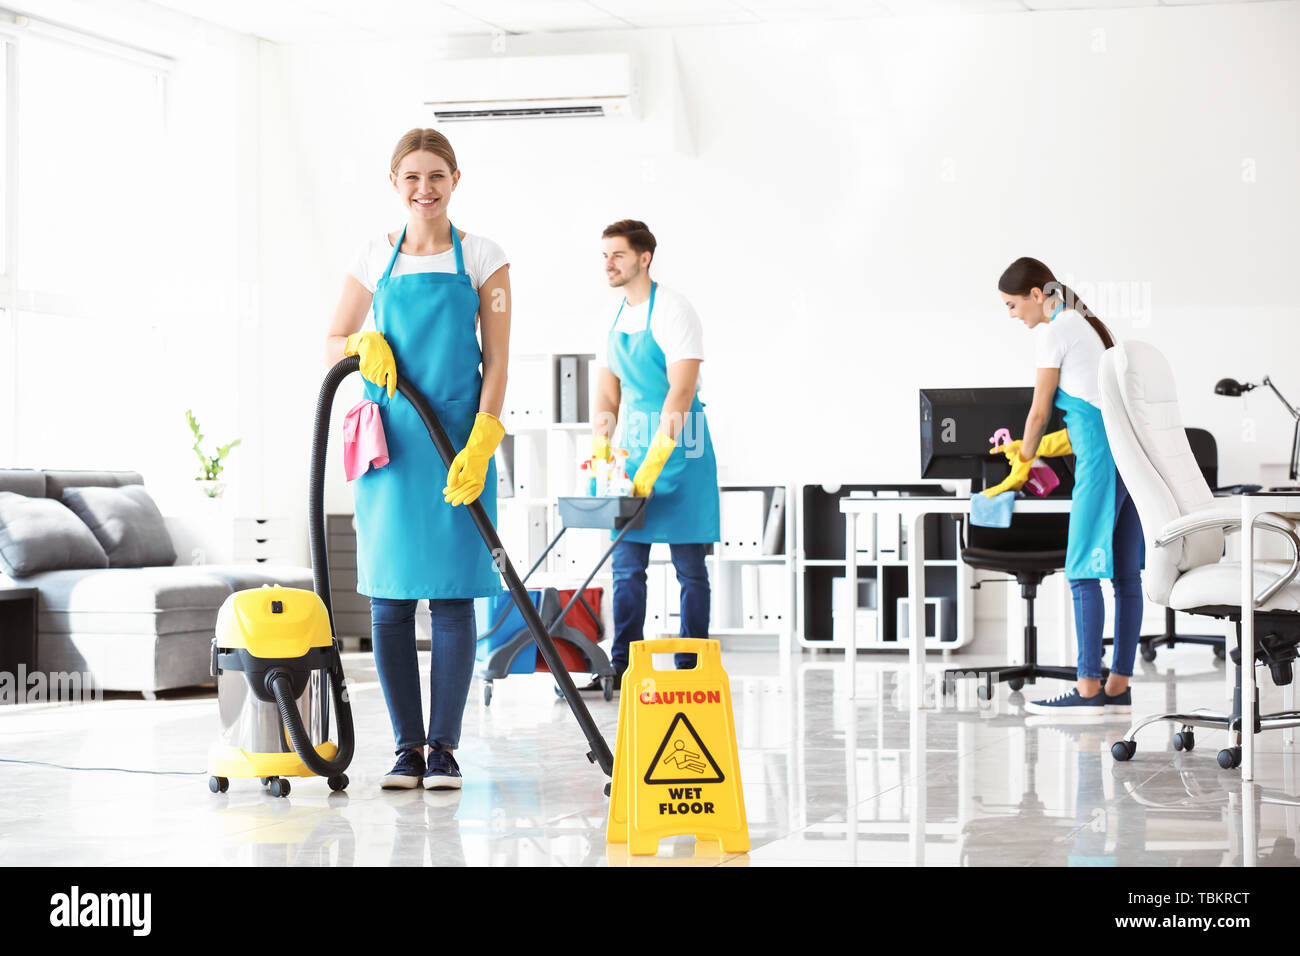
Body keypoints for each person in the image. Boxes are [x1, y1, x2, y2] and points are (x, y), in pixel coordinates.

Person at [324, 128, 510, 789]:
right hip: (394, 446)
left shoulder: (483, 256)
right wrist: (360, 346)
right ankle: (406, 750)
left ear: (455, 179)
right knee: (391, 601)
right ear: (395, 184)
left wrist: (485, 438)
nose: (424, 188)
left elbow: (498, 360)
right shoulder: (375, 255)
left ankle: (444, 751)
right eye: (412, 177)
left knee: (455, 596)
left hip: (460, 442)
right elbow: (332, 338)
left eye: (436, 176)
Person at [986, 256, 1143, 718]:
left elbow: (1038, 413)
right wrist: (1033, 449)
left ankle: (1088, 687)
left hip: (1098, 465)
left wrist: (1022, 460)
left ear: (1037, 295)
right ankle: (1118, 684)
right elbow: (1082, 415)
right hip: (1126, 458)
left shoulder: (1053, 332)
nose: (1012, 315)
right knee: (1125, 576)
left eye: (1012, 305)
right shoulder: (1086, 324)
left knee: (1081, 572)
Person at [585, 220, 720, 690]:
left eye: (617, 254)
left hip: (681, 451)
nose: (608, 264)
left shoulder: (675, 311)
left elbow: (680, 395)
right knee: (626, 570)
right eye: (604, 255)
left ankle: (692, 667)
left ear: (644, 258)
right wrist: (604, 445)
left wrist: (654, 464)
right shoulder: (611, 317)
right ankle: (622, 668)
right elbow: (607, 393)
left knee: (689, 569)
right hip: (633, 449)